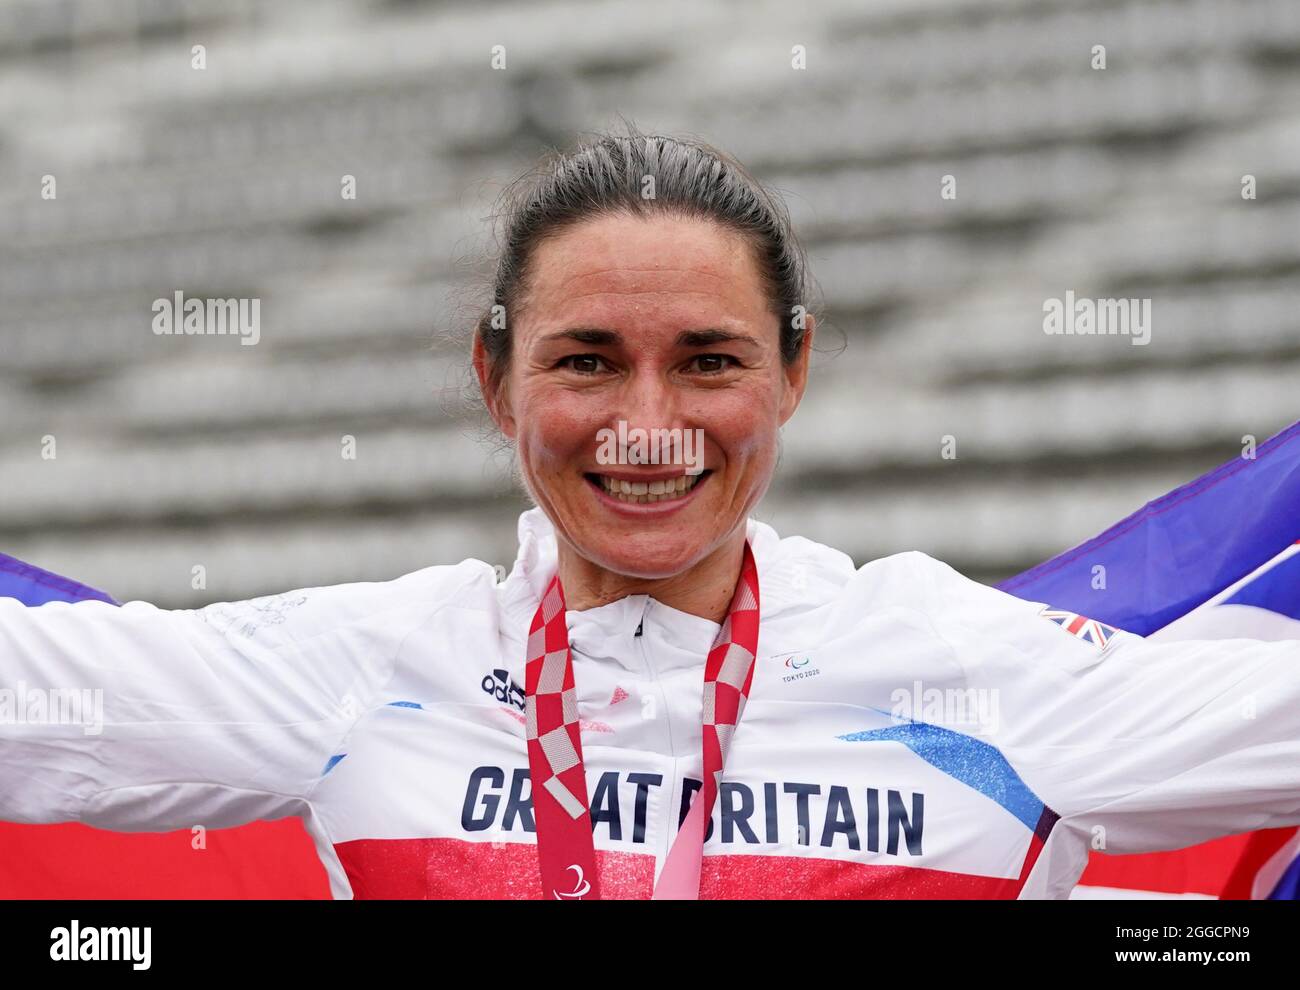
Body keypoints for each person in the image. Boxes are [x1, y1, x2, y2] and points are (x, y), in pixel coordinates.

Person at [2, 126, 1298, 900]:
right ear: (492, 379)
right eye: (584, 359)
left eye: (709, 359)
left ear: (793, 370)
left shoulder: (967, 664)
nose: (646, 419)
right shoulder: (365, 662)